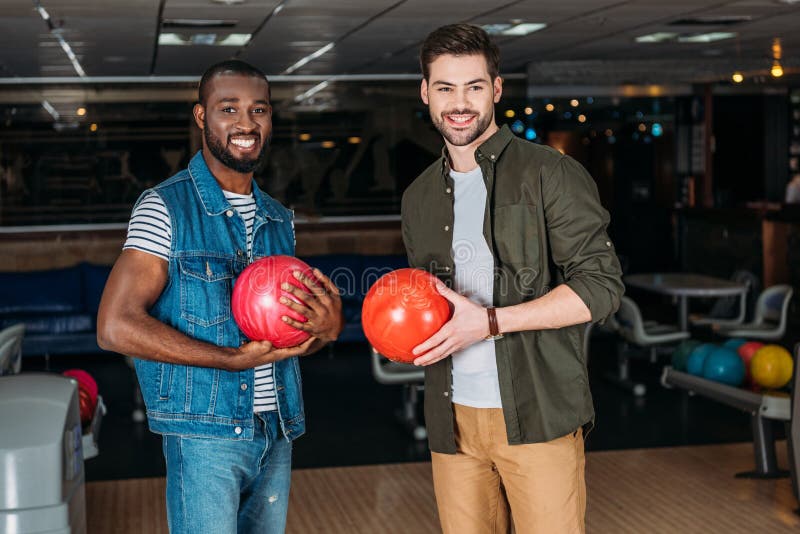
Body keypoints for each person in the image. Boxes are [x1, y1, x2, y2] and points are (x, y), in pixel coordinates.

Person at [97, 59, 343, 534]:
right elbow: (115, 326)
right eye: (228, 109)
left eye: (259, 110)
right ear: (201, 117)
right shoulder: (165, 206)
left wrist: (328, 330)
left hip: (277, 428)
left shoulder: (278, 219)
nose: (246, 124)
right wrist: (229, 360)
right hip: (204, 434)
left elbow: (285, 335)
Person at [401, 24, 624, 534]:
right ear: (425, 92)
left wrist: (492, 322)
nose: (460, 103)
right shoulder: (418, 196)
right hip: (451, 419)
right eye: (445, 88)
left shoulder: (550, 173)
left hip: (539, 414)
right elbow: (425, 301)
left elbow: (602, 286)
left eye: (474, 86)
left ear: (496, 89)